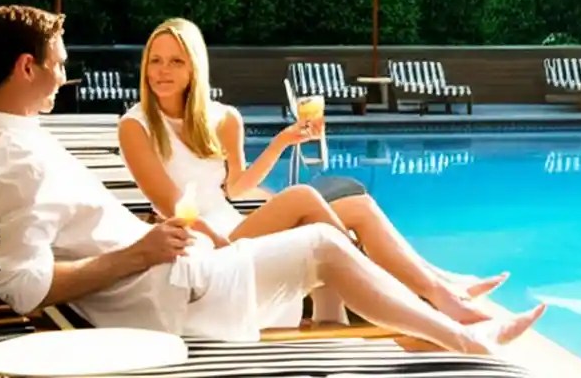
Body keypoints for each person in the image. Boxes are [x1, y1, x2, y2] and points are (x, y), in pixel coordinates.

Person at [0, 5, 545, 352]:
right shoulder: (16, 158)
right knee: (323, 240)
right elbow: (21, 288)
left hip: (174, 271)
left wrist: (158, 242)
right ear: (27, 66)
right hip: (168, 295)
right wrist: (143, 250)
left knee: (328, 226)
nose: (64, 78)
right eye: (59, 67)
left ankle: (434, 318)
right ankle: (462, 336)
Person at [117, 17, 500, 325]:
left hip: (233, 225)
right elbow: (171, 207)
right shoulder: (136, 126)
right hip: (199, 243)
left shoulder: (222, 118)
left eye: (175, 61)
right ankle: (423, 295)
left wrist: (283, 141)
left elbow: (236, 187)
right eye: (156, 60)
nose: (162, 71)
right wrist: (223, 243)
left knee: (358, 205)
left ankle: (437, 286)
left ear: (194, 68)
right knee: (302, 198)